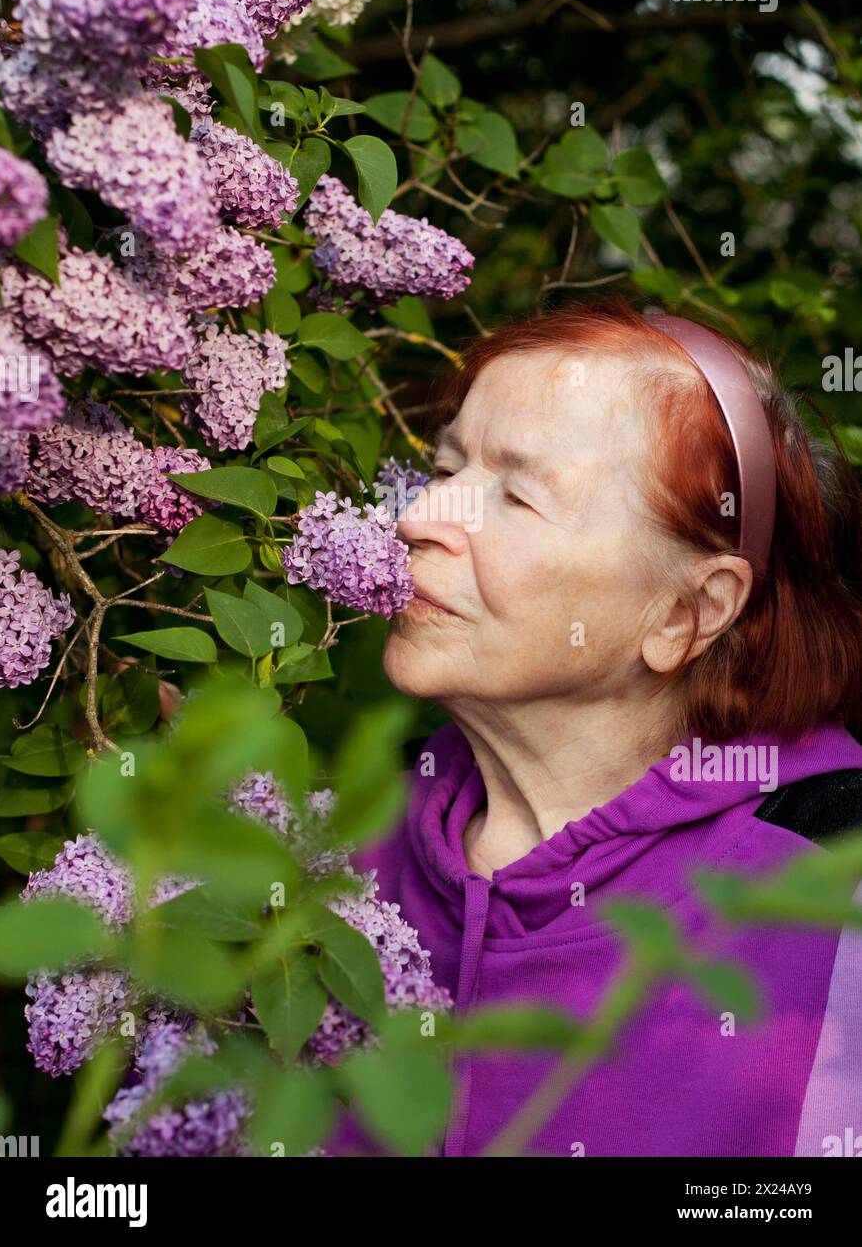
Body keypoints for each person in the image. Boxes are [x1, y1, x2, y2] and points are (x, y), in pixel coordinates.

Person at [328, 298, 862, 1157]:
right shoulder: (340, 834)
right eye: (446, 467)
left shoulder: (832, 901)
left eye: (516, 495)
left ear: (687, 612)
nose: (417, 520)